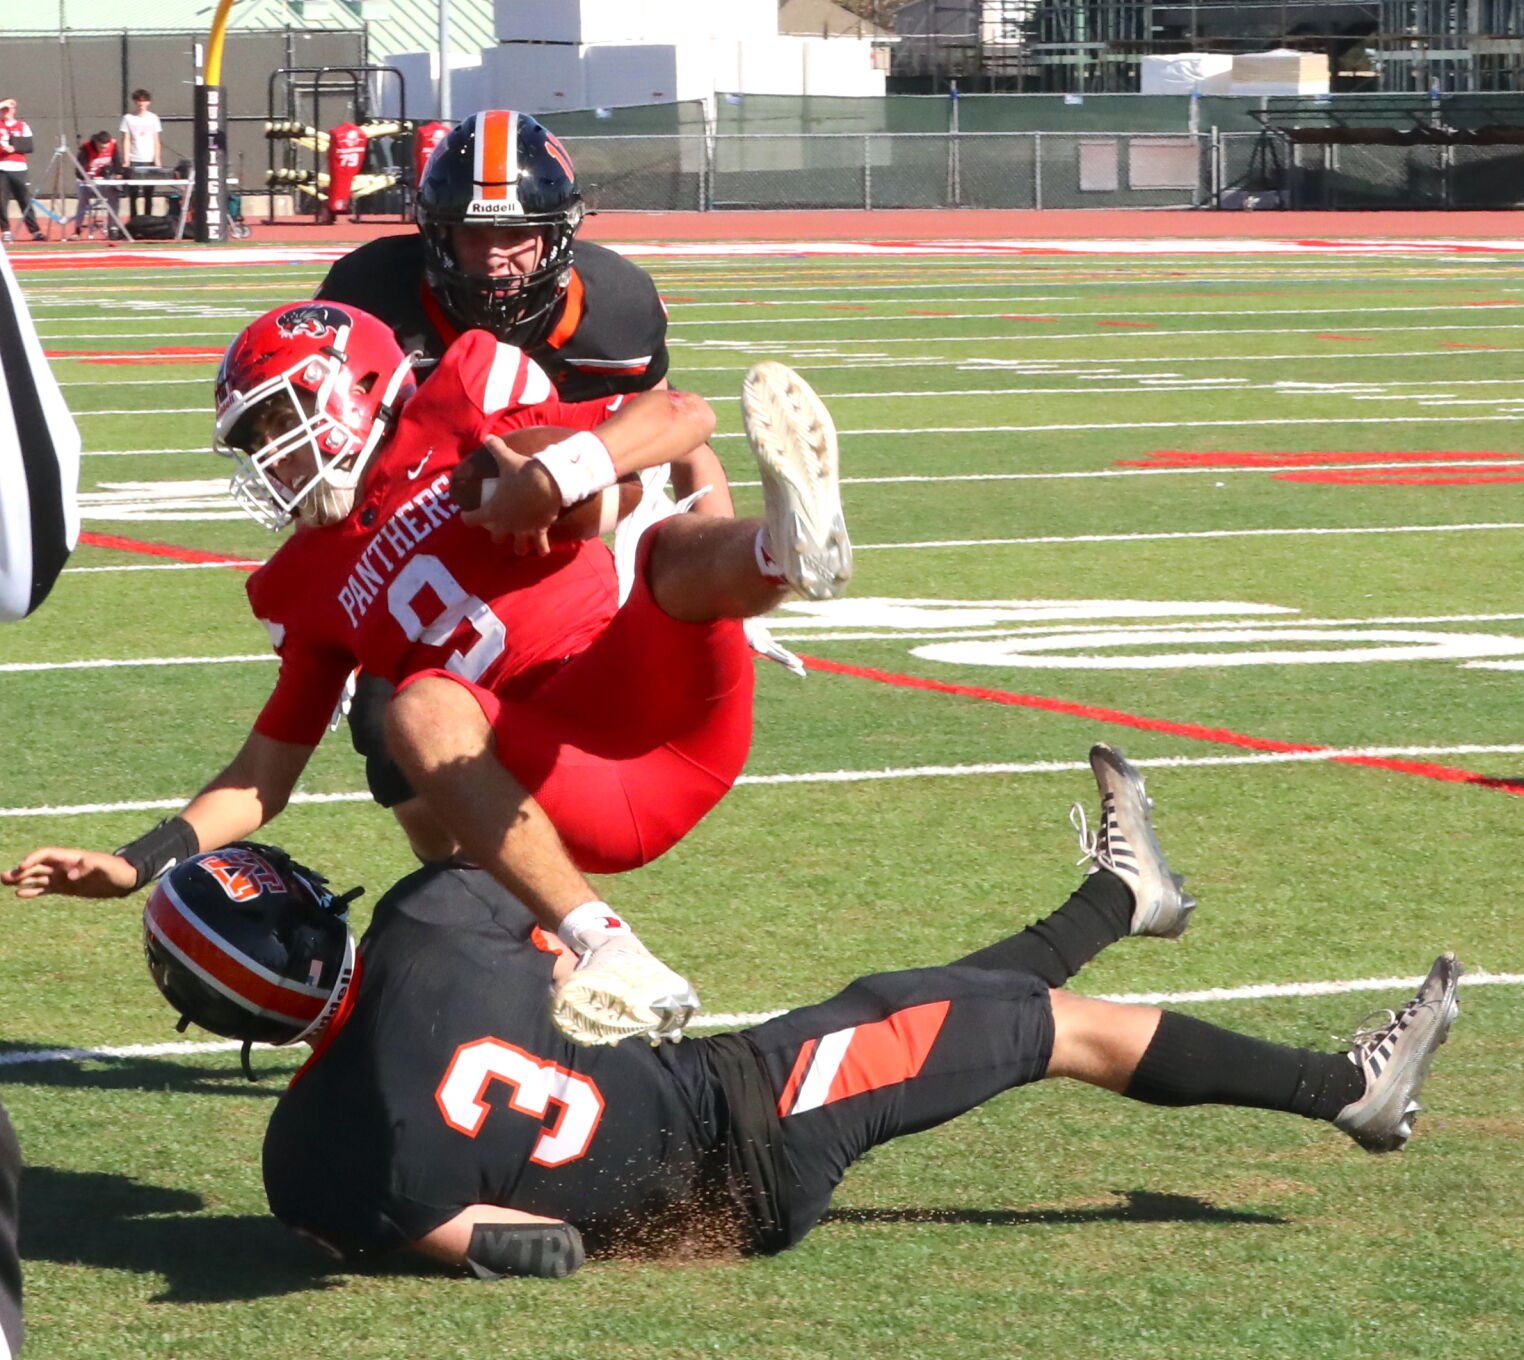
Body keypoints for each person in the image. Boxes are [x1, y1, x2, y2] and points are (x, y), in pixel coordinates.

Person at [139, 746, 1461, 1277]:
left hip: (723, 1162)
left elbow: (517, 1246)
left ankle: (1123, 899)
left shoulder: (298, 1164)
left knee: (940, 1012)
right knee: (1054, 1034)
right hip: (753, 1111)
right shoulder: (427, 920)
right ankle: (1347, 1092)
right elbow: (506, 872)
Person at [5, 300, 852, 1047]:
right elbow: (264, 774)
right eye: (255, 441)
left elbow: (682, 415)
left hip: (653, 704)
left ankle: (788, 553)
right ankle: (610, 951)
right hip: (559, 781)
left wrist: (556, 477)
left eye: (279, 420)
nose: (272, 457)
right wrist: (133, 862)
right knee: (419, 710)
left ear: (351, 386)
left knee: (659, 541)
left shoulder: (465, 404)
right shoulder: (302, 582)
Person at [316, 109, 775, 861]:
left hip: (589, 507)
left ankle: (764, 559)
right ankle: (463, 885)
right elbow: (340, 461)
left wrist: (733, 609)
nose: (496, 258)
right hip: (427, 521)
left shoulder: (614, 307)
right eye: (474, 234)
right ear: (435, 235)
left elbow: (683, 441)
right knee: (387, 723)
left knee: (596, 673)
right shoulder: (373, 294)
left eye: (517, 235)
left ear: (559, 234)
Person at [0, 99, 44, 244]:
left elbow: (28, 146)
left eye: (9, 109)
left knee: (25, 200)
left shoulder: (22, 126)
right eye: (3, 109)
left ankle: (35, 230)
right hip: (2, 168)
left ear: (14, 110)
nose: (6, 112)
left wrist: (14, 147)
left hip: (18, 168)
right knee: (1, 201)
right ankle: (6, 230)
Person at [119, 89, 162, 219]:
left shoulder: (153, 118)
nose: (141, 103)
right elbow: (126, 139)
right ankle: (134, 219)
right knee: (133, 193)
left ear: (148, 102)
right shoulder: (128, 118)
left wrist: (157, 158)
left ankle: (148, 218)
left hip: (149, 159)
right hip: (134, 159)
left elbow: (156, 140)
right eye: (139, 101)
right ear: (134, 102)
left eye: (144, 101)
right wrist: (126, 159)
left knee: (149, 192)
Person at [70, 131, 120, 240]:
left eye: (106, 148)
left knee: (114, 196)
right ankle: (77, 230)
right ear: (96, 143)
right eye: (101, 148)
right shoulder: (86, 149)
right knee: (83, 199)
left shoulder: (113, 146)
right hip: (87, 183)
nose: (104, 150)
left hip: (104, 182)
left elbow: (117, 165)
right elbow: (79, 171)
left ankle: (113, 228)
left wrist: (115, 173)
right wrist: (88, 177)